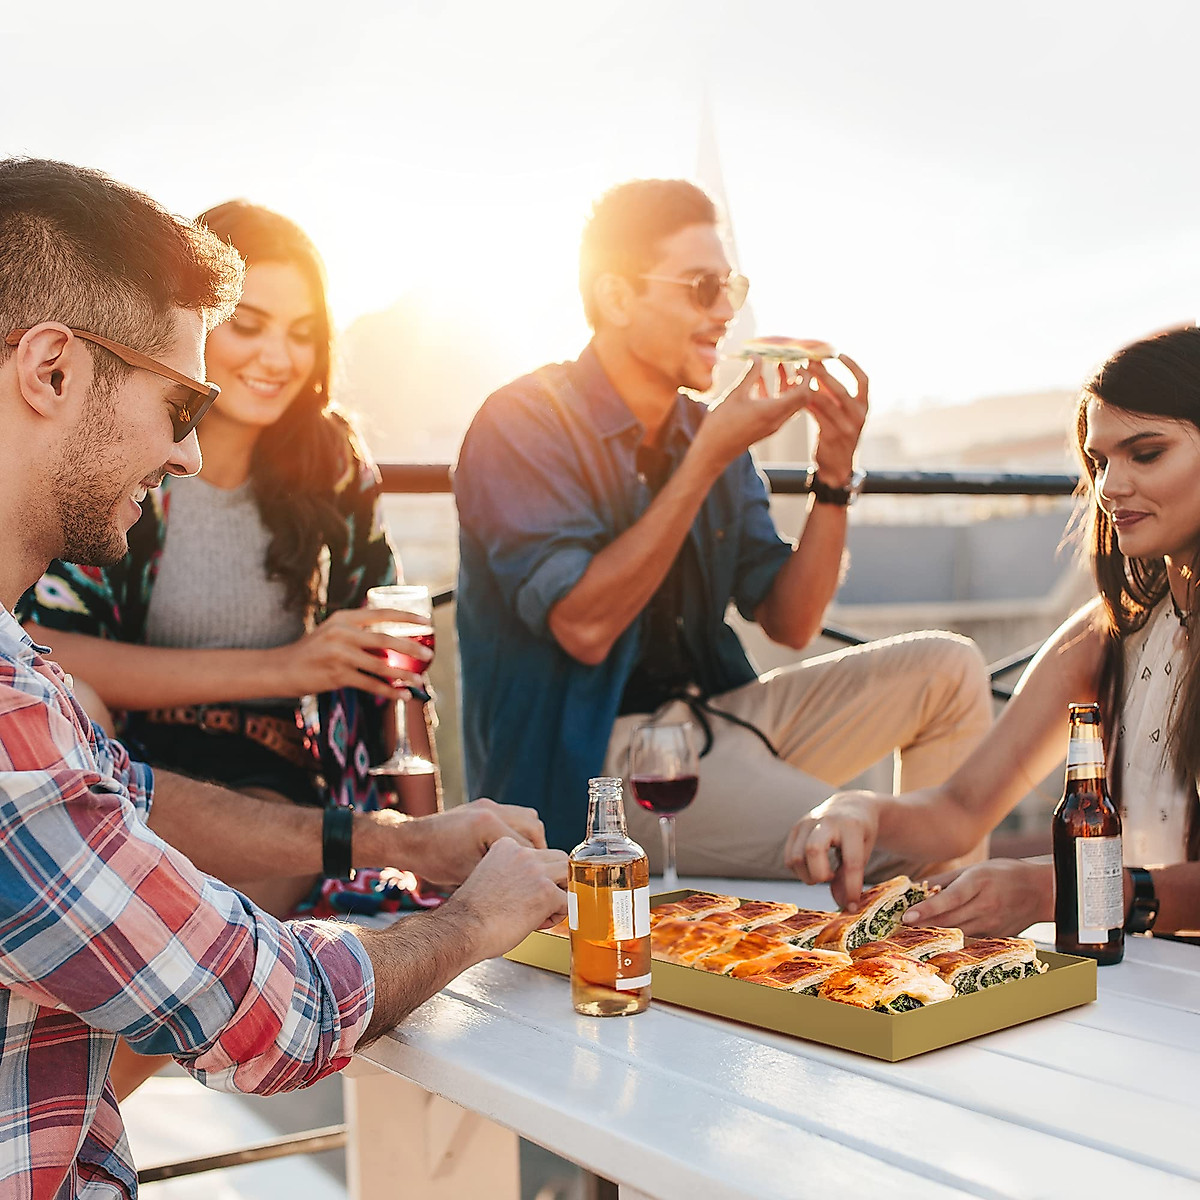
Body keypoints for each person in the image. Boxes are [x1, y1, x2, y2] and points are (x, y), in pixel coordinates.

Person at [0, 157, 567, 1198]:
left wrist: (410, 837)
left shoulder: (32, 708)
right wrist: (471, 921)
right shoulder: (21, 733)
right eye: (181, 401)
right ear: (50, 372)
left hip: (263, 796)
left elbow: (112, 798)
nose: (185, 451)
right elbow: (275, 1015)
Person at [454, 178, 993, 875]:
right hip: (597, 764)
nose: (724, 315)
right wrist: (710, 453)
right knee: (886, 844)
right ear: (618, 296)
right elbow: (583, 628)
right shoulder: (525, 422)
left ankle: (938, 933)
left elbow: (791, 621)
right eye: (702, 288)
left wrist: (832, 478)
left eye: (730, 290)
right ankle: (933, 933)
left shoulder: (703, 431)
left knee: (947, 669)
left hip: (721, 719)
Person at [18, 200, 434, 920]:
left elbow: (394, 652)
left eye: (302, 335)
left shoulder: (334, 466)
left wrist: (432, 845)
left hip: (269, 765)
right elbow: (43, 649)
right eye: (248, 326)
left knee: (216, 910)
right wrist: (288, 665)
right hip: (119, 746)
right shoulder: (117, 455)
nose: (278, 357)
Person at [788, 326, 1200, 937]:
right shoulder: (1107, 634)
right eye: (1100, 460)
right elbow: (960, 809)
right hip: (1135, 981)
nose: (1110, 488)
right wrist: (860, 809)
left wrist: (1061, 888)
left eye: (1146, 453)